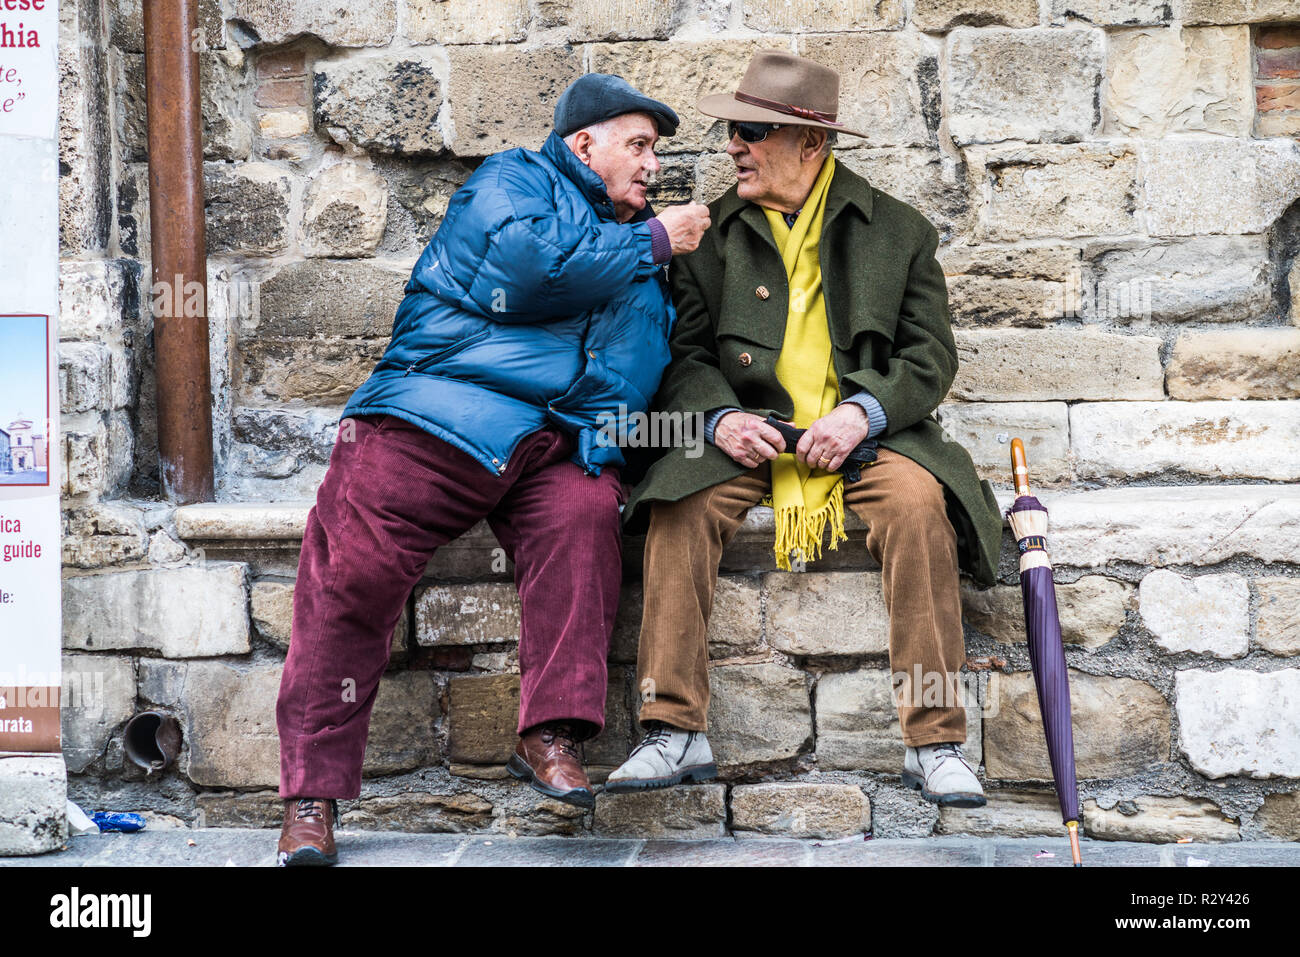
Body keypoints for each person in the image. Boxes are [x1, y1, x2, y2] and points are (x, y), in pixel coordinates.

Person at [274, 74, 711, 866]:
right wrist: (655, 241)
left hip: (558, 439)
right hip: (440, 416)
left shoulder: (644, 243)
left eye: (655, 150)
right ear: (585, 144)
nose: (652, 166)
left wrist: (697, 427)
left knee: (586, 516)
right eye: (638, 146)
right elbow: (532, 270)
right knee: (354, 576)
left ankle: (551, 734)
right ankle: (311, 795)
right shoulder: (515, 180)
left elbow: (657, 364)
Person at [609, 51, 1003, 808]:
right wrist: (719, 417)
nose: (732, 146)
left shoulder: (899, 231)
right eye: (733, 128)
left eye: (751, 132)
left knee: (921, 510)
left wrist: (864, 411)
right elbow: (684, 354)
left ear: (810, 144)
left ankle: (936, 740)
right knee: (678, 505)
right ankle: (672, 728)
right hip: (749, 434)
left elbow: (931, 358)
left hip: (871, 437)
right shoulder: (709, 237)